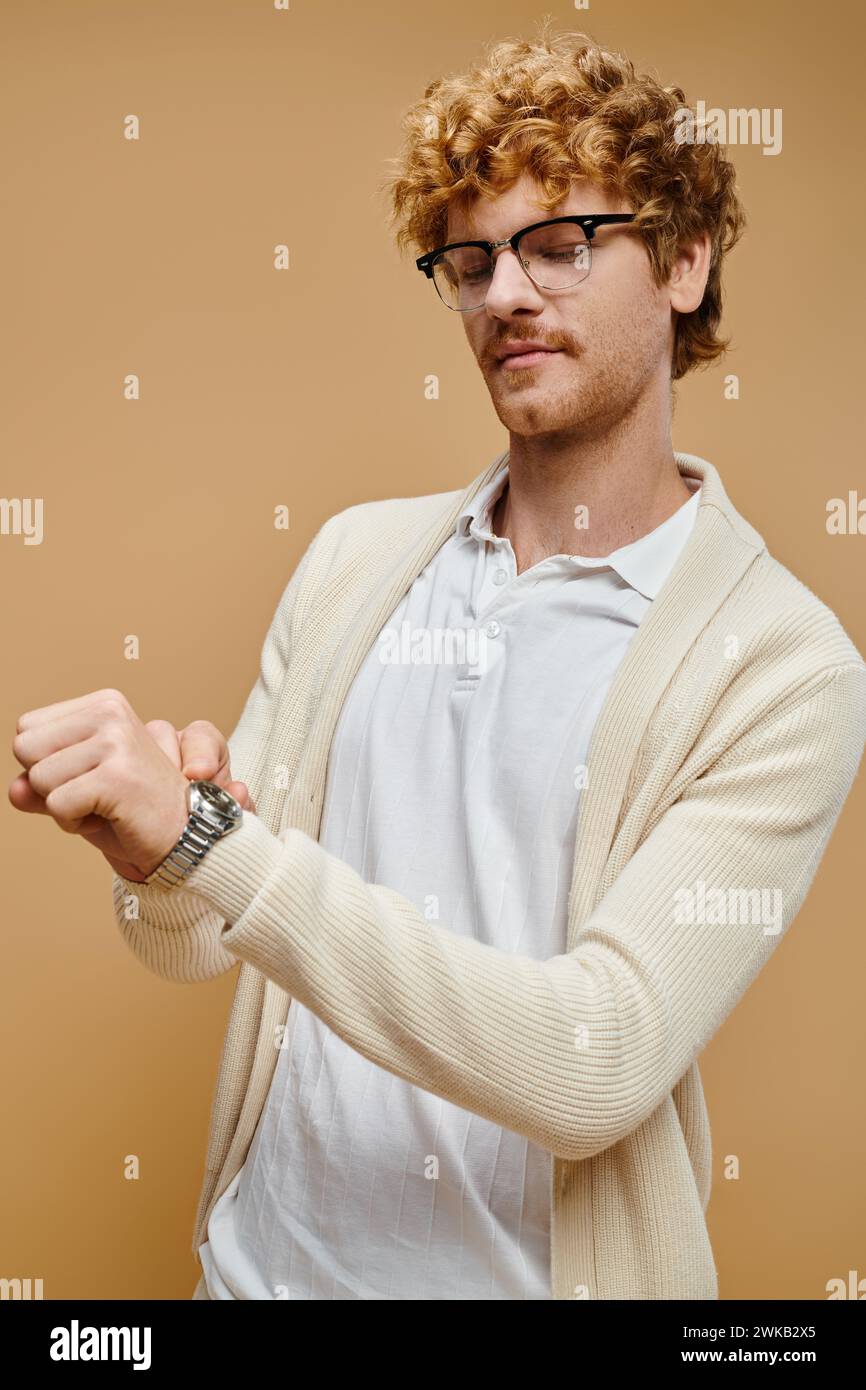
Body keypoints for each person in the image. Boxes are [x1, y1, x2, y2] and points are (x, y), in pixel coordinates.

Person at [10, 24, 866, 1300]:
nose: (506, 295)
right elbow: (196, 938)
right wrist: (159, 846)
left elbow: (595, 1061)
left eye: (560, 245)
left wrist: (219, 851)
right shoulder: (358, 563)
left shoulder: (783, 669)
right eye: (470, 259)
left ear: (684, 261)